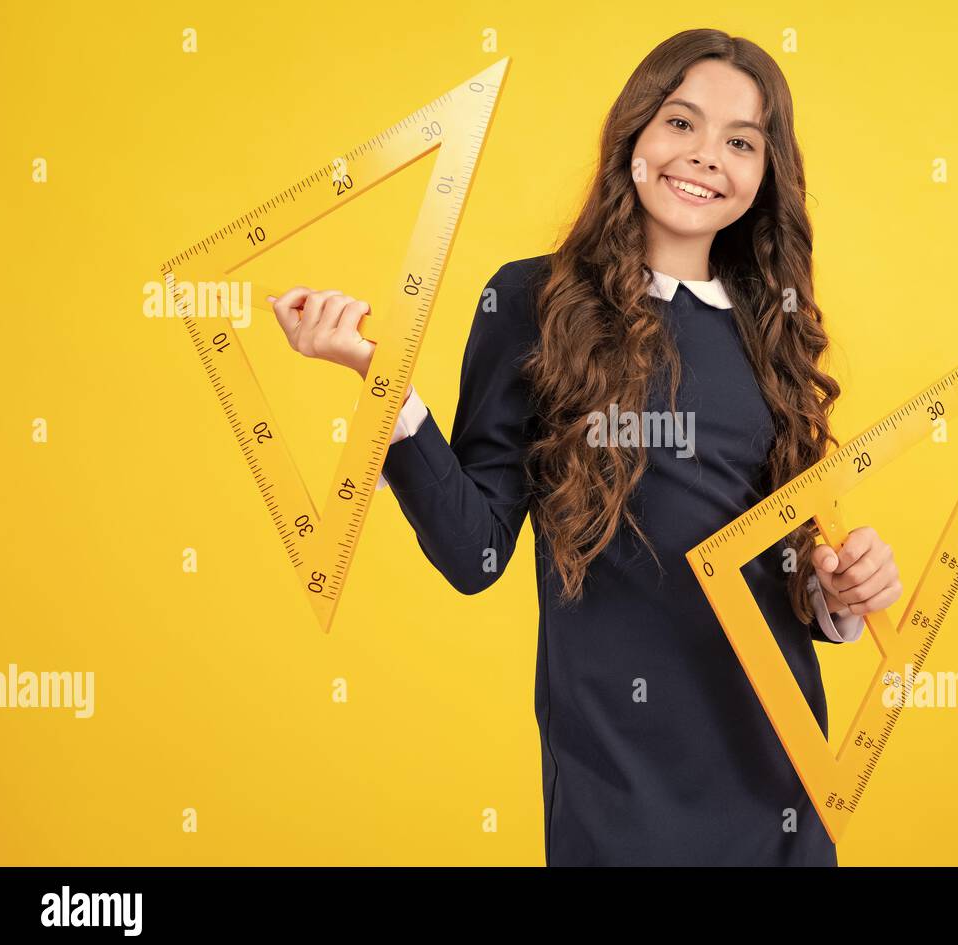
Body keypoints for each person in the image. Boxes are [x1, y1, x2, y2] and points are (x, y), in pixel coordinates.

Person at [268, 28, 902, 866]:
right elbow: (474, 552)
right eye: (682, 123)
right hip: (616, 775)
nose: (707, 155)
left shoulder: (771, 325)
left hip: (777, 773)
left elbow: (778, 556)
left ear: (765, 175)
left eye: (742, 141)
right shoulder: (533, 300)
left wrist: (839, 596)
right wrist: (379, 381)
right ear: (633, 134)